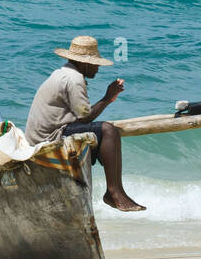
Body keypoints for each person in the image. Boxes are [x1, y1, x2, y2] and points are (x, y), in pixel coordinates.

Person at [25, 35, 145, 211]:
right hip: (50, 136)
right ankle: (114, 192)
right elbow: (85, 117)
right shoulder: (74, 79)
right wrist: (108, 98)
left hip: (42, 135)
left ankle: (116, 191)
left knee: (106, 133)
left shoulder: (62, 73)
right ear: (84, 63)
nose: (97, 68)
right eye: (95, 63)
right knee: (109, 131)